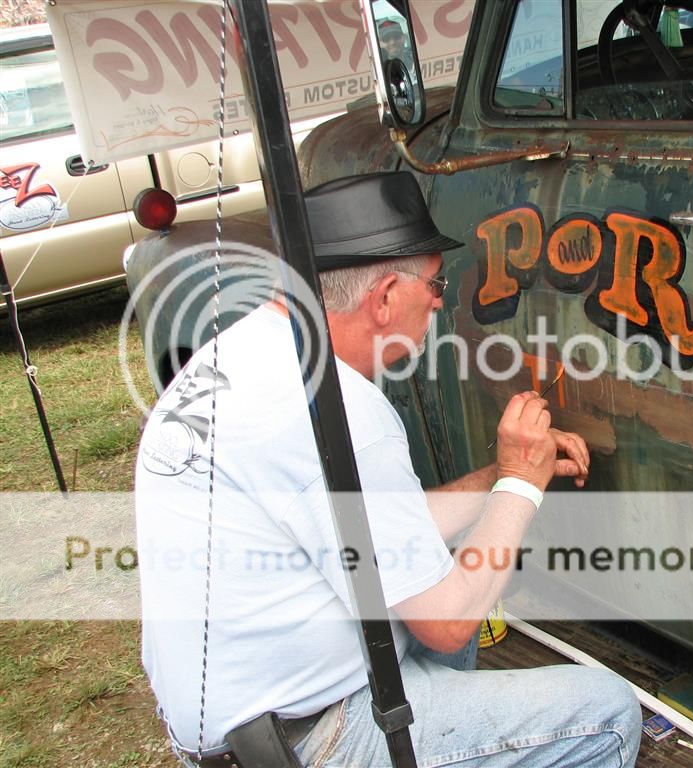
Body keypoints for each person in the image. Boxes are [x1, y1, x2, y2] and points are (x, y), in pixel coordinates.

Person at [134, 171, 641, 768]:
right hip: (310, 738)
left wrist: (501, 474)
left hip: (242, 724)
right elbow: (446, 623)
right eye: (433, 283)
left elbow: (381, 527)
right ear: (382, 299)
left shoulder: (245, 350)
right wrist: (520, 487)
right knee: (609, 710)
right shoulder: (336, 408)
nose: (439, 299)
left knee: (443, 585)